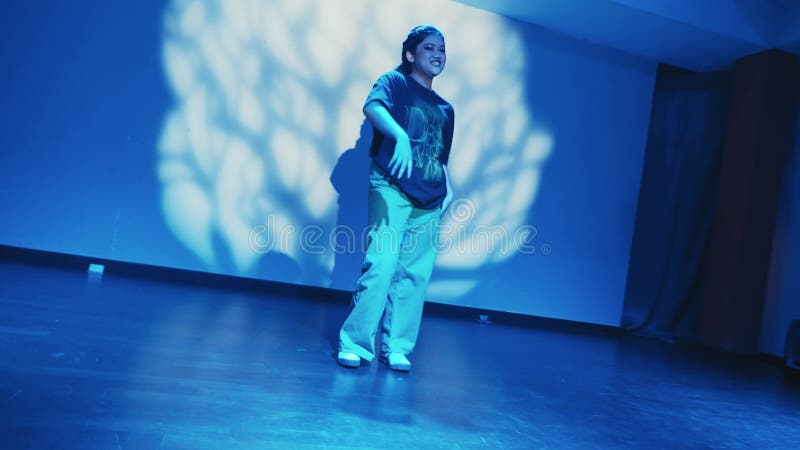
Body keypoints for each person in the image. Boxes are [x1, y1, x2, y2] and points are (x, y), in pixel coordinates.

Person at [337, 25, 455, 372]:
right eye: (429, 47)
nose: (437, 54)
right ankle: (356, 343)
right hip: (391, 187)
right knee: (383, 264)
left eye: (442, 49)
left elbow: (440, 157)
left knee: (415, 275)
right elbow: (372, 107)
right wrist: (399, 135)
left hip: (429, 198)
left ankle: (397, 346)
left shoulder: (446, 108)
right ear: (411, 54)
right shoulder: (394, 82)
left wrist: (450, 190)